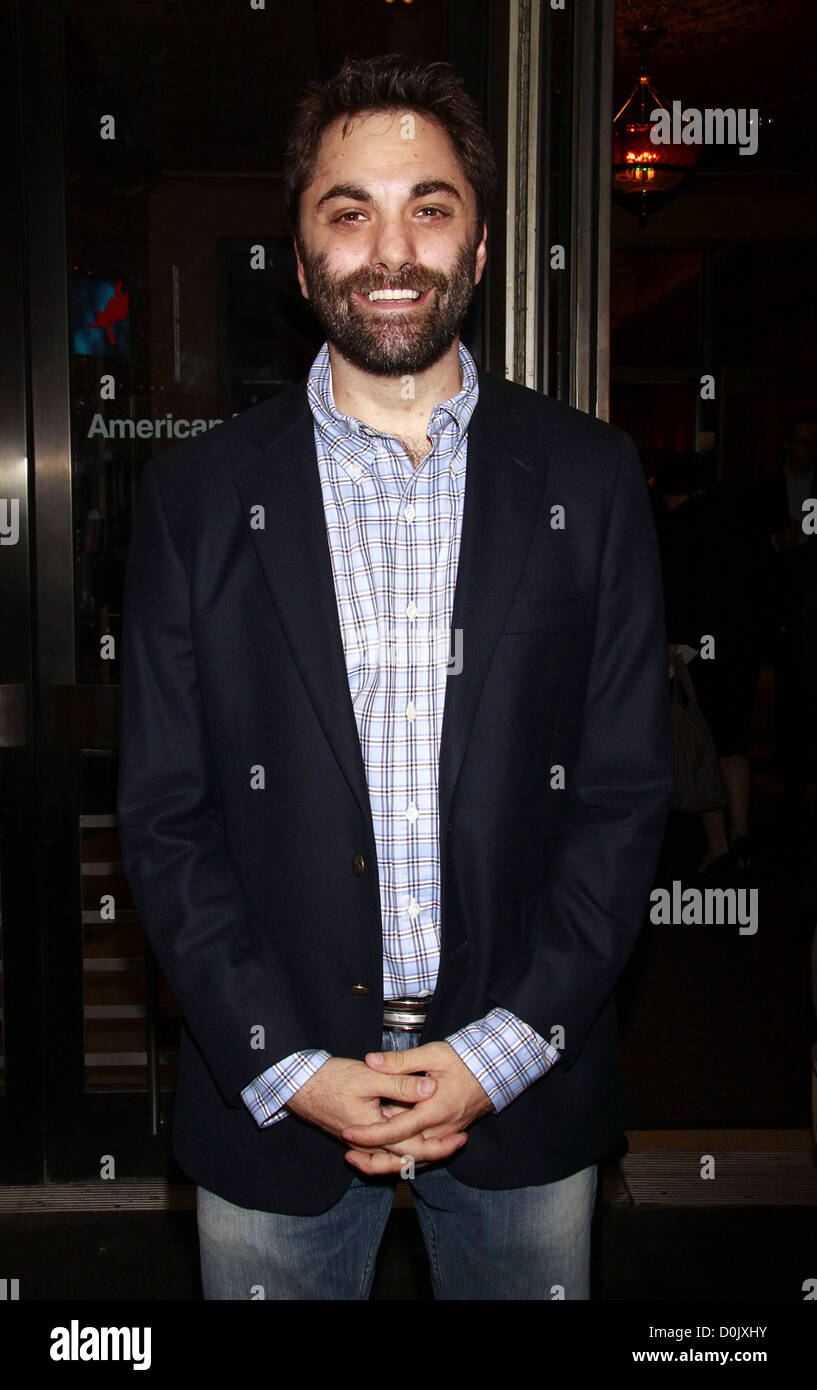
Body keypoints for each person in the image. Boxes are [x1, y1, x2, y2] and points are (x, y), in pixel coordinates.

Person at [117, 54, 674, 1301]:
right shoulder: (194, 501)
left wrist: (497, 1050)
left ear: (479, 247)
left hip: (523, 1090)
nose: (391, 249)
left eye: (429, 206)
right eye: (349, 209)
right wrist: (291, 1065)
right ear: (303, 247)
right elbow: (162, 820)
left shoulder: (589, 482)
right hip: (273, 1102)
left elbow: (624, 800)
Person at [653, 450, 765, 877]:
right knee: (733, 742)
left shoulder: (674, 528)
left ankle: (717, 844)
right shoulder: (735, 518)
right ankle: (740, 833)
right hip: (739, 646)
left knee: (699, 742)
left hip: (693, 651)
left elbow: (675, 595)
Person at [741, 411, 817, 819]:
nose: (809, 450)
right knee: (785, 685)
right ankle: (787, 761)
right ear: (788, 445)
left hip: (810, 604)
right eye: (802, 441)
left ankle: (798, 771)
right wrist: (777, 541)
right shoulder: (768, 488)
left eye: (813, 442)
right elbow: (751, 544)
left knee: (805, 688)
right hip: (776, 602)